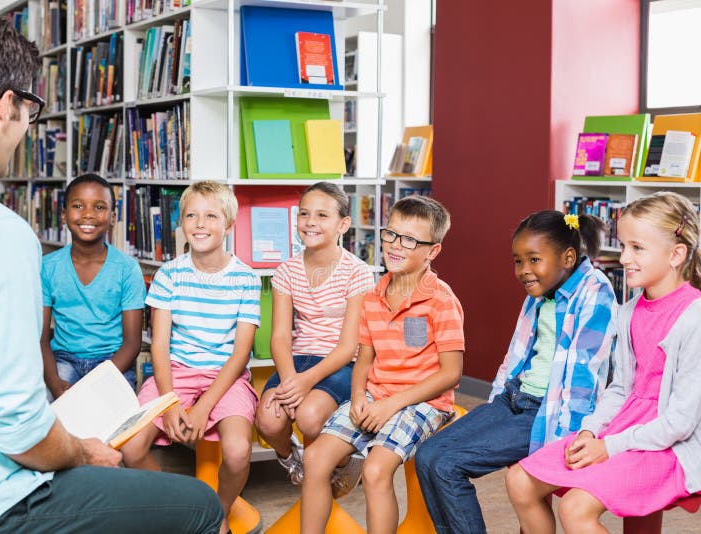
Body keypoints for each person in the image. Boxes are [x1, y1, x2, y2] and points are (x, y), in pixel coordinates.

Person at [0, 7, 222, 533]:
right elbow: (18, 430)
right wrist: (81, 451)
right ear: (6, 106)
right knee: (198, 506)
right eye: (32, 106)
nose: (30, 124)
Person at [507, 192, 701, 533]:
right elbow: (621, 388)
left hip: (671, 443)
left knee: (575, 507)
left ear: (677, 254)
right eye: (623, 246)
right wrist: (590, 430)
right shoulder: (627, 313)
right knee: (520, 479)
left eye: (636, 248)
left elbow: (680, 423)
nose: (624, 257)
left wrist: (608, 447)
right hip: (622, 428)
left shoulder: (694, 317)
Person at [415, 210, 617, 534]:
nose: (524, 271)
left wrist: (556, 446)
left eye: (534, 260)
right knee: (427, 455)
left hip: (546, 413)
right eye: (518, 261)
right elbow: (517, 352)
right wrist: (495, 404)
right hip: (514, 399)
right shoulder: (541, 291)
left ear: (567, 257)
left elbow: (583, 378)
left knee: (448, 465)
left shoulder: (595, 292)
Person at [301, 195, 465, 534]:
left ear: (432, 251)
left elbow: (451, 374)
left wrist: (391, 404)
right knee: (315, 459)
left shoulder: (441, 301)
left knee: (376, 470)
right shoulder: (374, 296)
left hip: (423, 402)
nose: (394, 245)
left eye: (409, 240)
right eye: (390, 234)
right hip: (376, 395)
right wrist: (359, 396)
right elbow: (365, 357)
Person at [120, 181, 261, 534]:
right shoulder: (169, 274)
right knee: (130, 448)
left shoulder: (246, 278)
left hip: (225, 376)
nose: (199, 224)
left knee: (238, 451)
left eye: (211, 216)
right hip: (176, 371)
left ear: (229, 226)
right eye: (191, 216)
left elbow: (241, 353)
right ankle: (180, 508)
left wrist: (202, 406)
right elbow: (160, 347)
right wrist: (169, 403)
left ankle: (217, 513)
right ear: (181, 223)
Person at [255, 182, 374, 492]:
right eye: (304, 213)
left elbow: (349, 346)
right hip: (297, 360)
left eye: (322, 215)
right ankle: (291, 457)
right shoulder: (286, 270)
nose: (310, 222)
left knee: (308, 417)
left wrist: (305, 383)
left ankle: (346, 462)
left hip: (340, 363)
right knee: (268, 419)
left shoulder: (357, 272)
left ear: (343, 225)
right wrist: (291, 379)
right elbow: (279, 336)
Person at [40, 173, 145, 398]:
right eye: (78, 206)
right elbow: (40, 339)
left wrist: (96, 385)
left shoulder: (127, 269)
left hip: (112, 364)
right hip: (63, 360)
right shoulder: (47, 267)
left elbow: (133, 342)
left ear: (113, 217)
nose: (88, 214)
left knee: (109, 421)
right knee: (47, 411)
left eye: (99, 207)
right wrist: (55, 384)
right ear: (64, 215)